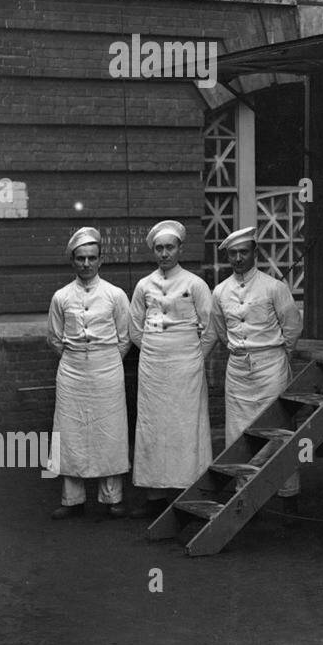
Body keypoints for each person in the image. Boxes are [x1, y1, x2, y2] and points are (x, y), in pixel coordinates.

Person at [210, 227, 303, 521]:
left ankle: (288, 497)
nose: (238, 258)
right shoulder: (220, 291)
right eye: (233, 254)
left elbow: (292, 327)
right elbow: (220, 330)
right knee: (239, 434)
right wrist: (241, 350)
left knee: (278, 431)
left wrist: (274, 354)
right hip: (238, 368)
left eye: (244, 252)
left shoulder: (273, 287)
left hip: (270, 365)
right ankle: (245, 497)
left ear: (255, 252)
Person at [129, 220, 216, 518]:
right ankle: (155, 497)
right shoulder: (144, 285)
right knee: (154, 429)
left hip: (187, 367)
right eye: (159, 248)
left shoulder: (195, 284)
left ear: (180, 248)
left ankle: (188, 493)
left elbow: (211, 328)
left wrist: (192, 356)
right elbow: (135, 330)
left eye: (170, 247)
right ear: (154, 251)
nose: (165, 253)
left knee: (184, 428)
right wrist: (156, 351)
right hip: (153, 367)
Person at [45, 227, 132, 520]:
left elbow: (125, 336)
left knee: (109, 432)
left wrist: (102, 360)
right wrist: (77, 360)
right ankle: (72, 499)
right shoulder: (61, 297)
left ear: (100, 260)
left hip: (107, 370)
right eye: (80, 258)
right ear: (73, 261)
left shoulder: (115, 295)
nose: (86, 264)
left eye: (91, 258)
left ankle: (112, 498)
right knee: (71, 433)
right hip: (71, 372)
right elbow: (55, 338)